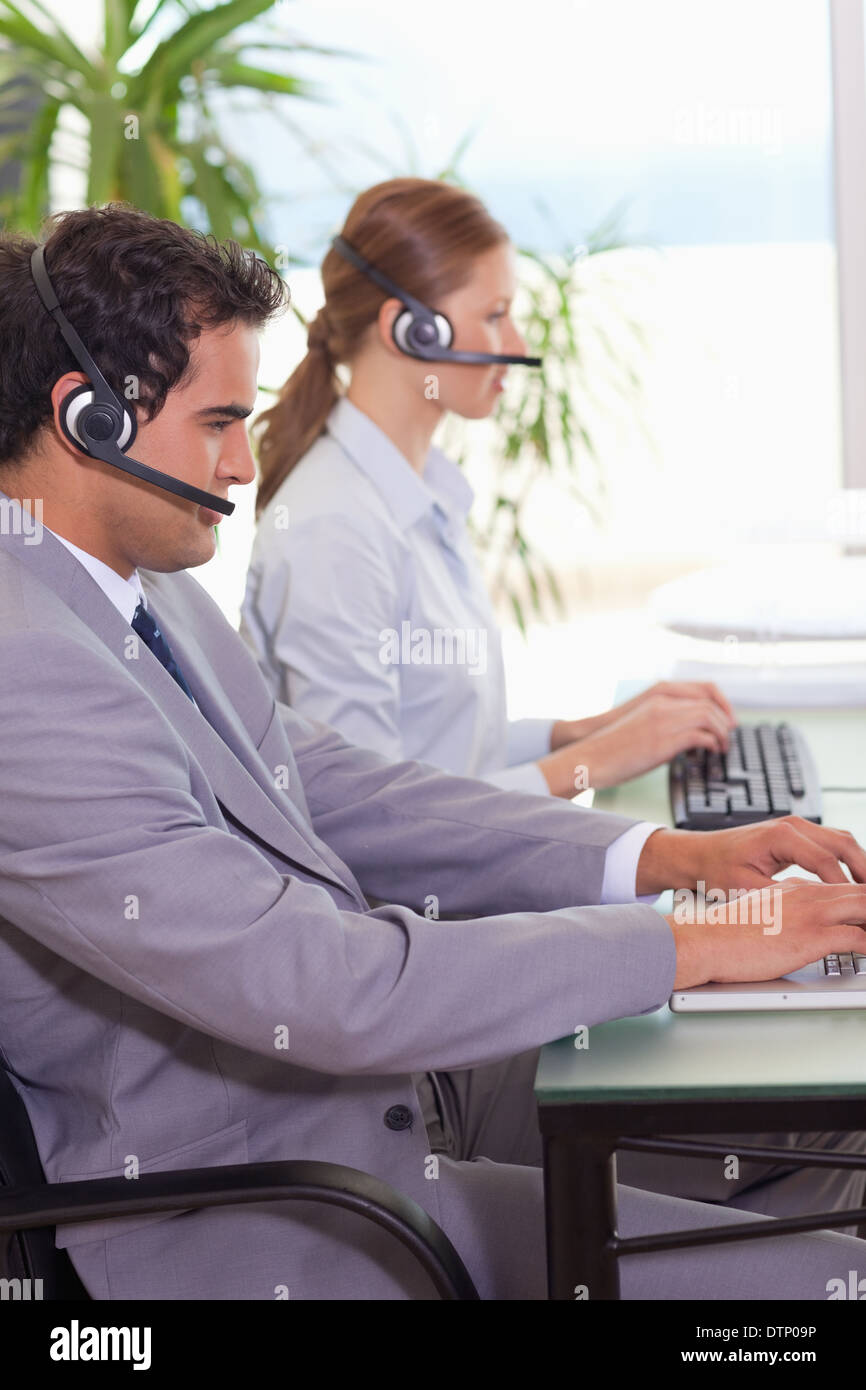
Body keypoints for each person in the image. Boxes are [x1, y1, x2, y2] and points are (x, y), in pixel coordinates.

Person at [1, 204, 865, 1303]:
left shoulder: (140, 588)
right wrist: (684, 940)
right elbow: (320, 983)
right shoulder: (25, 667)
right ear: (93, 423)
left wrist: (660, 858)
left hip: (384, 1103)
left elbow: (339, 786)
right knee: (837, 1286)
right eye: (219, 421)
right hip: (292, 1205)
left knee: (810, 1117)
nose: (244, 461)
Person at [241, 177, 736, 799]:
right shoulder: (334, 528)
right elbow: (372, 816)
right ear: (413, 330)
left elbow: (442, 749)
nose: (518, 347)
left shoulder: (418, 492)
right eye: (495, 316)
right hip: (397, 896)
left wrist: (590, 732)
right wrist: (601, 761)